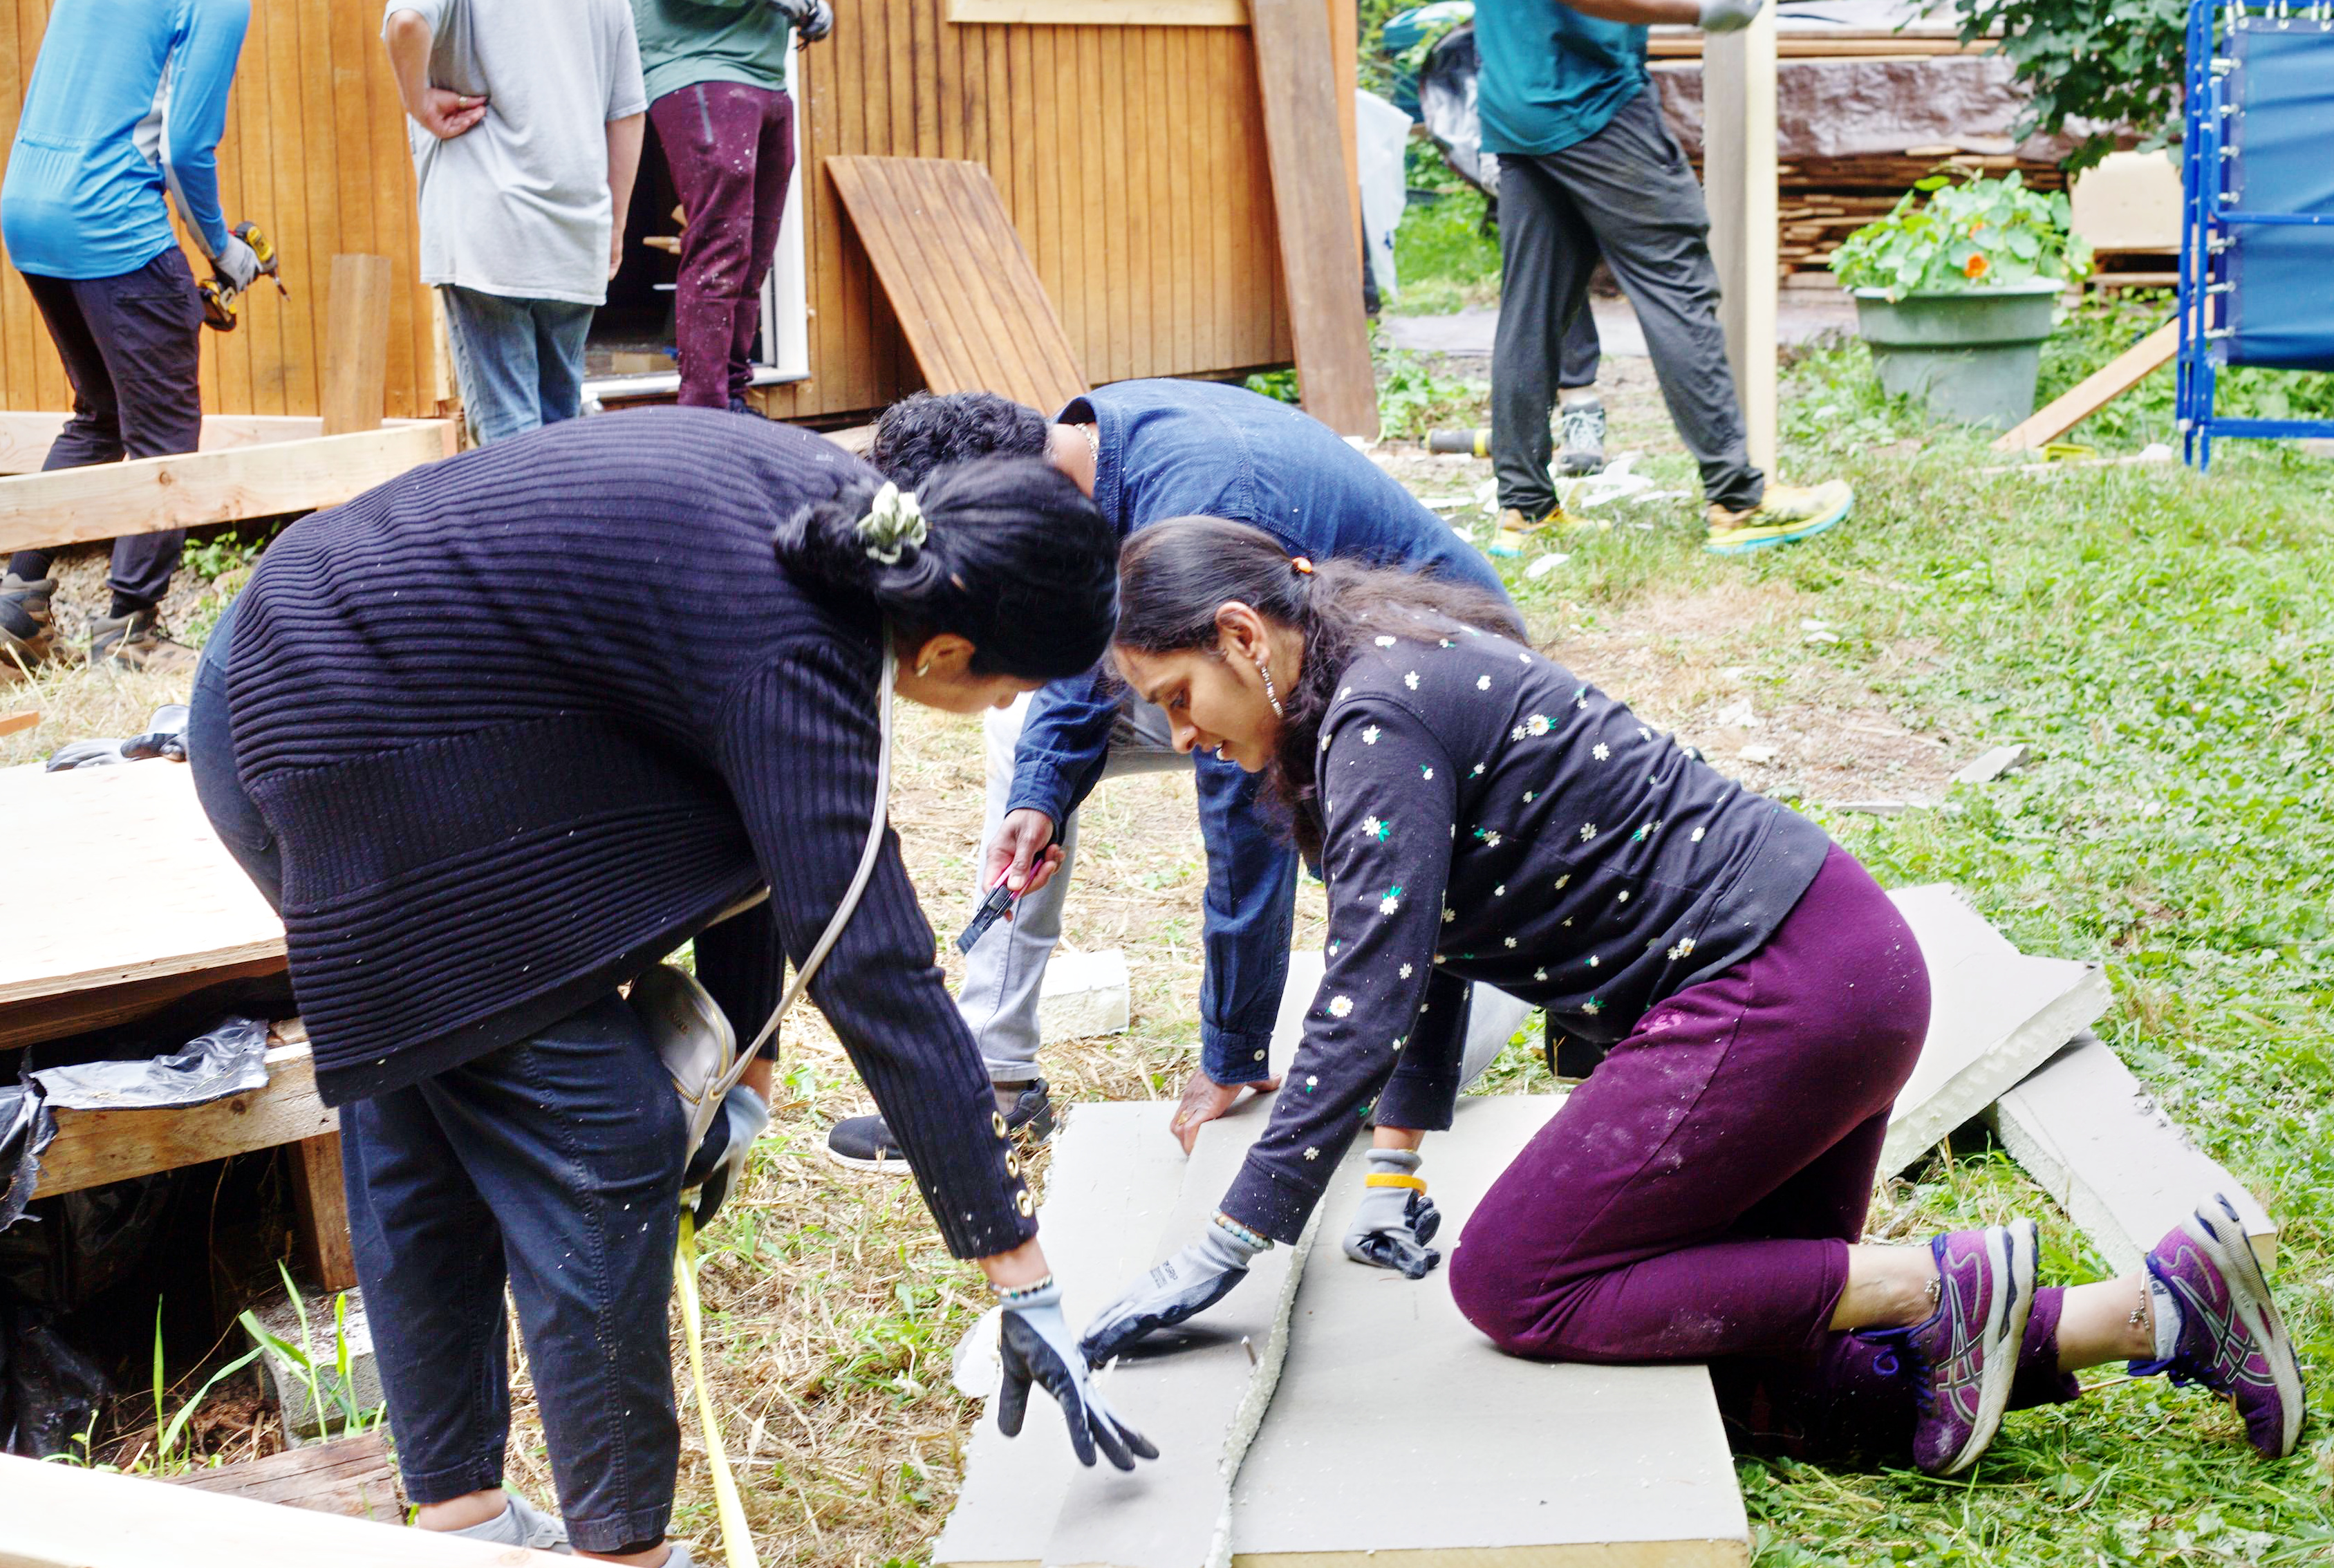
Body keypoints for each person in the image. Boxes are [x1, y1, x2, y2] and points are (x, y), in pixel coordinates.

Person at [1079, 517, 2307, 1477]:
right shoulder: (1380, 668)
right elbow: (1424, 953)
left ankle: (1940, 1279)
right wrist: (1394, 1168)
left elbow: (1363, 997)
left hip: (1773, 994)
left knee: (1514, 1283)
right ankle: (2164, 1309)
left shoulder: (1373, 717)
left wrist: (1232, 1240)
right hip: (1836, 966)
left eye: (1178, 697)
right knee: (1754, 1366)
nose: (1179, 733)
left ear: (1245, 636)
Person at [187, 413, 1152, 1566]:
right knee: (599, 1126)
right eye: (1016, 689)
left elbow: (771, 850)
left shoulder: (830, 521)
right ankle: (622, 1552)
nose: (1006, 714)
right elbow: (874, 960)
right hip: (340, 731)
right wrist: (1015, 1261)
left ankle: (462, 1523)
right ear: (945, 649)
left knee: (431, 1078)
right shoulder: (799, 648)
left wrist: (744, 1069)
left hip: (291, 657)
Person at [824, 384, 1522, 1173]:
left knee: (1383, 1074)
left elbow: (1245, 793)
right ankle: (998, 1076)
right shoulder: (1083, 451)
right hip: (1306, 670)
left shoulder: (1205, 495)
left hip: (1439, 685)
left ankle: (1504, 979)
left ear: (1015, 501)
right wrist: (1040, 795)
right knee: (1019, 729)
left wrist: (1233, 1043)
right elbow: (1086, 643)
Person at [1463, 0, 1852, 558]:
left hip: (1520, 105)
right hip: (1590, 102)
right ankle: (1739, 499)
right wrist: (1691, 11)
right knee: (1676, 274)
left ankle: (1524, 508)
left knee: (1532, 305)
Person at [0, 0, 296, 674]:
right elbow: (187, 147)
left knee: (97, 414)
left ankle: (18, 604)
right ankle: (130, 629)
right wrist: (221, 250)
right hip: (111, 223)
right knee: (165, 433)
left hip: (29, 212)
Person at [384, 0, 646, 445]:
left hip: (486, 237)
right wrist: (613, 219)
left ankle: (524, 548)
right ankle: (567, 545)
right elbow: (627, 110)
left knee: (507, 437)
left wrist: (419, 100)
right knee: (561, 428)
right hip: (573, 228)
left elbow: (408, 21)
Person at [623, 0, 832, 413]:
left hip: (765, 81)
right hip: (700, 75)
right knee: (719, 248)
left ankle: (734, 402)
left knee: (753, 256)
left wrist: (803, 5)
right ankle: (706, 415)